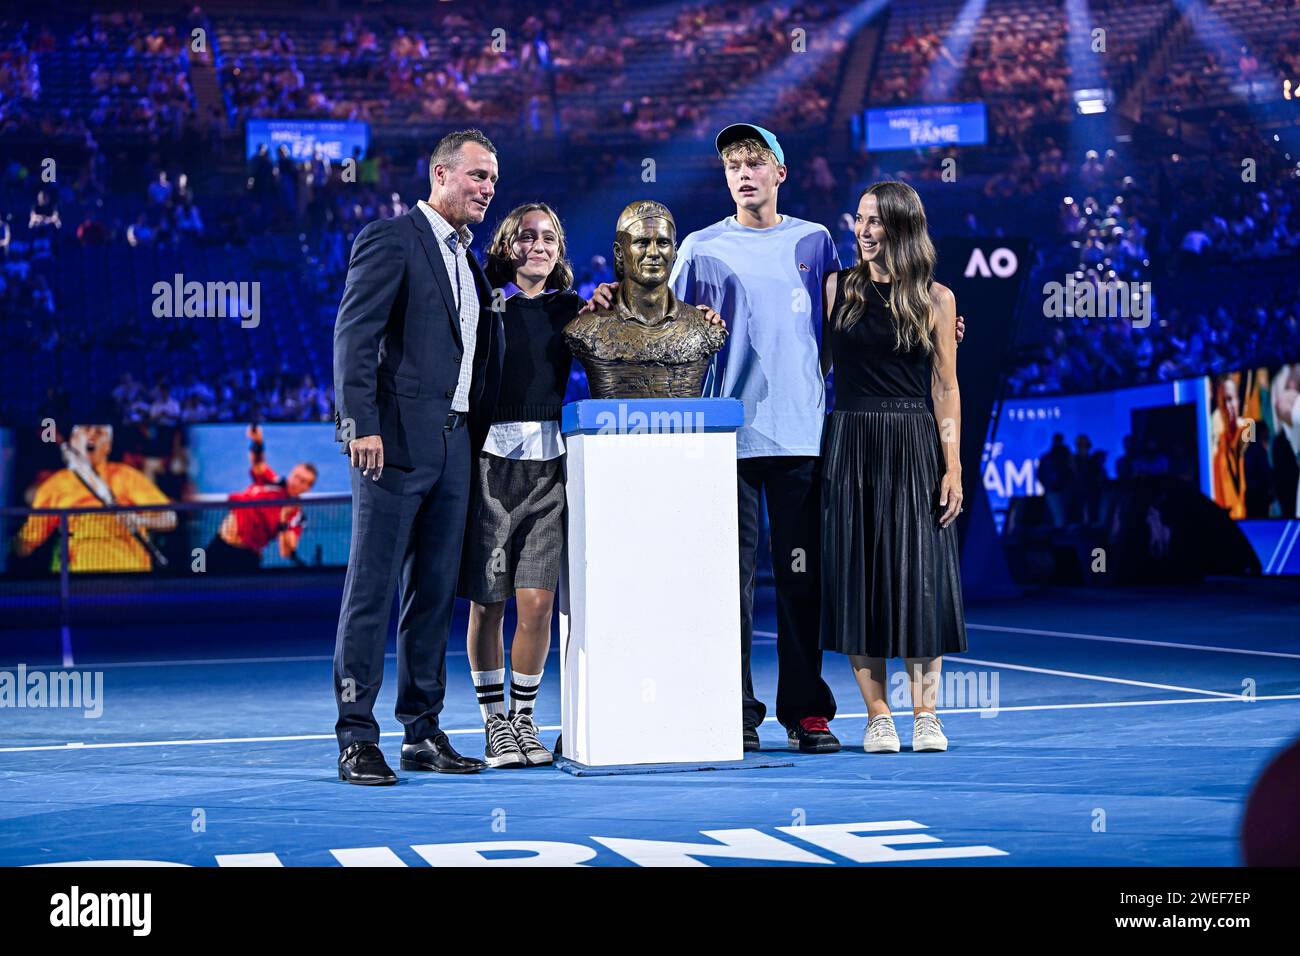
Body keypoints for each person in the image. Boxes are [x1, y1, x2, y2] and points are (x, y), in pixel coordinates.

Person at [591, 124, 964, 754]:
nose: (744, 173)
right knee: (726, 585)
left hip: (805, 438)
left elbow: (866, 311)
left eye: (756, 162)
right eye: (734, 164)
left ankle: (805, 710)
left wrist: (946, 323)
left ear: (779, 173)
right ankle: (733, 707)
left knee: (803, 582)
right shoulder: (700, 248)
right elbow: (653, 316)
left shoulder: (814, 242)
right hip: (725, 440)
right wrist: (610, 296)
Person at [331, 129, 504, 785]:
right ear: (441, 174)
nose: (487, 189)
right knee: (371, 591)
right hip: (390, 444)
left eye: (493, 180)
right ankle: (356, 737)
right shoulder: (391, 238)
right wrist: (359, 426)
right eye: (477, 176)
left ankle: (422, 732)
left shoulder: (470, 260)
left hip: (453, 444)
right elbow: (354, 337)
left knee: (433, 594)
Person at [820, 181, 967, 755]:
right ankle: (878, 715)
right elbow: (816, 367)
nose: (864, 230)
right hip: (851, 439)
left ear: (902, 228)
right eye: (859, 220)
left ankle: (925, 714)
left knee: (919, 576)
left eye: (876, 221)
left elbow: (947, 386)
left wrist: (951, 465)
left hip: (914, 441)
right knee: (861, 574)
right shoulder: (837, 289)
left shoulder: (937, 299)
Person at [16, 425, 176, 573]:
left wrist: (138, 520)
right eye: (86, 430)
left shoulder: (127, 477)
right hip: (77, 580)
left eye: (99, 432)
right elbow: (28, 541)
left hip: (130, 575)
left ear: (108, 446)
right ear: (73, 440)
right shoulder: (55, 485)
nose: (91, 435)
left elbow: (169, 518)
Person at [205, 424, 317, 573]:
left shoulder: (296, 515)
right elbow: (258, 464)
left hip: (245, 558)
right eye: (296, 476)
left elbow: (286, 552)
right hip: (219, 544)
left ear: (308, 488)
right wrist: (257, 442)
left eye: (303, 481)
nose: (296, 482)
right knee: (195, 581)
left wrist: (283, 520)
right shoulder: (273, 482)